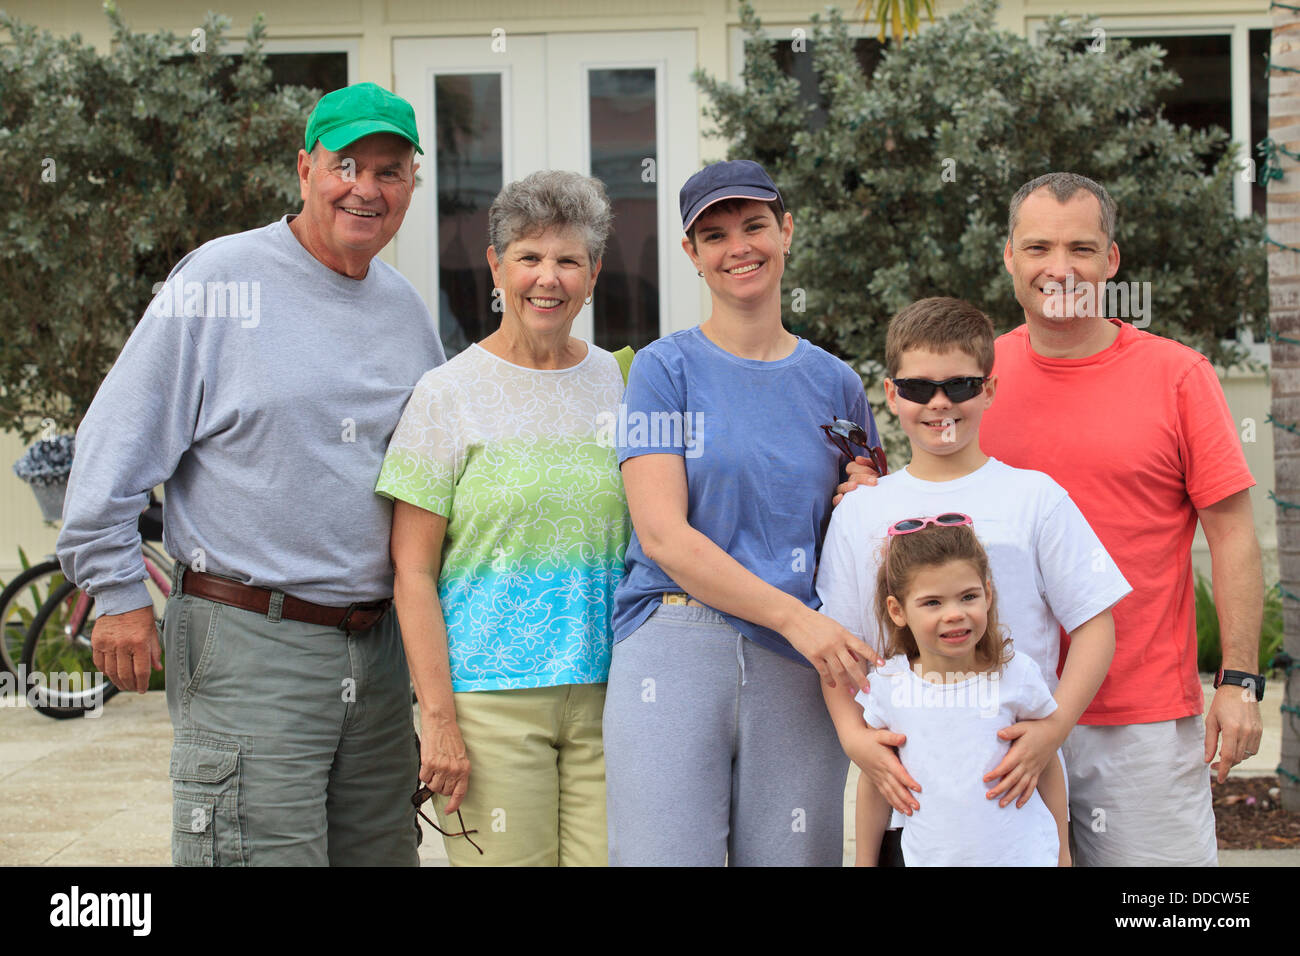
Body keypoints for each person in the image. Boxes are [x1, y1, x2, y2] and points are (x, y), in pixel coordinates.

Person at [57, 82, 445, 866]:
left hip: (377, 657)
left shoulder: (406, 310)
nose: (366, 188)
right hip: (250, 641)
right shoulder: (220, 280)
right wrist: (119, 594)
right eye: (346, 165)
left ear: (412, 185)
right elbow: (113, 443)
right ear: (304, 169)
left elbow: (434, 477)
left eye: (389, 171)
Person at [602, 159, 883, 867]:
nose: (739, 247)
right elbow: (663, 535)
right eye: (715, 235)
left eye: (754, 226)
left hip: (801, 666)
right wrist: (796, 620)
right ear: (692, 253)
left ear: (786, 231)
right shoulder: (661, 372)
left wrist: (864, 502)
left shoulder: (838, 385)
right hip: (676, 643)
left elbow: (862, 534)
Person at [980, 171, 1265, 866]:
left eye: (1081, 248)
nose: (1060, 268)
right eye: (1038, 247)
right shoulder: (975, 379)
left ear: (1111, 260)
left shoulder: (1178, 376)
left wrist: (1238, 681)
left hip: (1141, 721)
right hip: (1000, 713)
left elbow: (1232, 534)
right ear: (1009, 256)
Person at [818, 296, 1128, 865]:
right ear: (891, 394)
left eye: (959, 385)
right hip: (914, 812)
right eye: (918, 388)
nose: (939, 403)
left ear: (988, 389)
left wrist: (1053, 728)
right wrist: (853, 738)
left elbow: (1094, 622)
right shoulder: (860, 511)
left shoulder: (1035, 497)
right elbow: (838, 648)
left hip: (1017, 804)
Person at [378, 170, 627, 866]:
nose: (548, 278)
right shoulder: (445, 394)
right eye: (529, 256)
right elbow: (412, 573)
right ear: (496, 266)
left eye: (569, 260)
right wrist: (438, 721)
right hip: (487, 704)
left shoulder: (621, 383)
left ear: (593, 274)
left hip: (613, 698)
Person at [844, 517, 1069, 866]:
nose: (955, 614)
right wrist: (864, 862)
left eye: (968, 597)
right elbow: (876, 780)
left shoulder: (1016, 674)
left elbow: (1047, 763)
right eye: (932, 602)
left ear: (988, 594)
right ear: (897, 610)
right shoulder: (889, 683)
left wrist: (1063, 854)